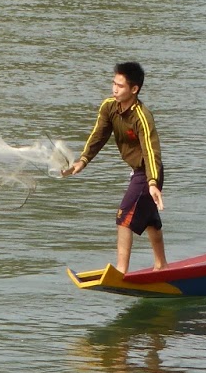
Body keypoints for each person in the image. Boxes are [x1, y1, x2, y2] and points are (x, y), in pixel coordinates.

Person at [62, 60, 166, 270]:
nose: (114, 89)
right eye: (114, 84)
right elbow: (98, 135)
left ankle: (121, 270)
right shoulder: (109, 107)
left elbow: (151, 150)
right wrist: (83, 160)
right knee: (150, 221)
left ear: (134, 89)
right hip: (137, 171)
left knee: (124, 216)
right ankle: (161, 265)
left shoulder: (142, 117)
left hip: (147, 173)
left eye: (120, 86)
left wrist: (153, 182)